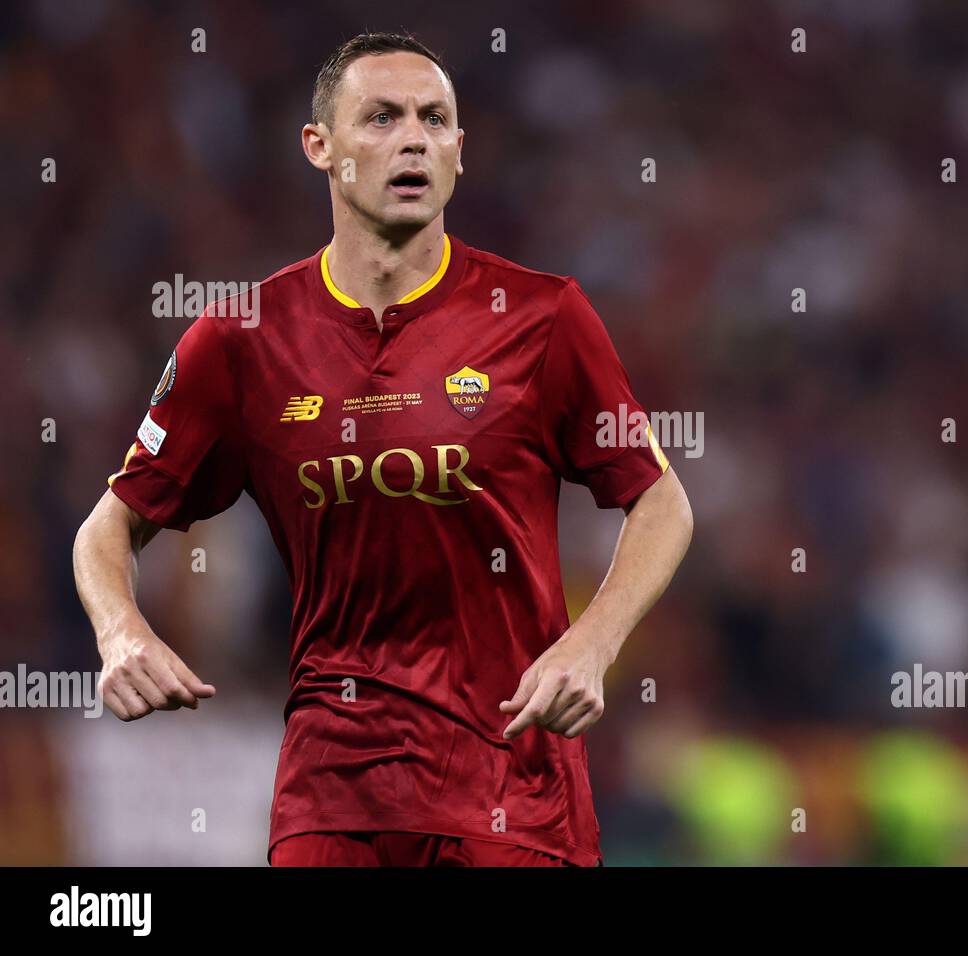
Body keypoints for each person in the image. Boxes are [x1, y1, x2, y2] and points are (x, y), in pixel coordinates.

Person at [71, 31, 693, 867]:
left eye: (436, 120)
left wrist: (593, 642)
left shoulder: (542, 318)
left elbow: (662, 499)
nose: (413, 139)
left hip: (514, 791)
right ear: (319, 147)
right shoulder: (242, 338)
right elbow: (107, 527)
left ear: (459, 153)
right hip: (332, 796)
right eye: (383, 117)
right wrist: (122, 632)